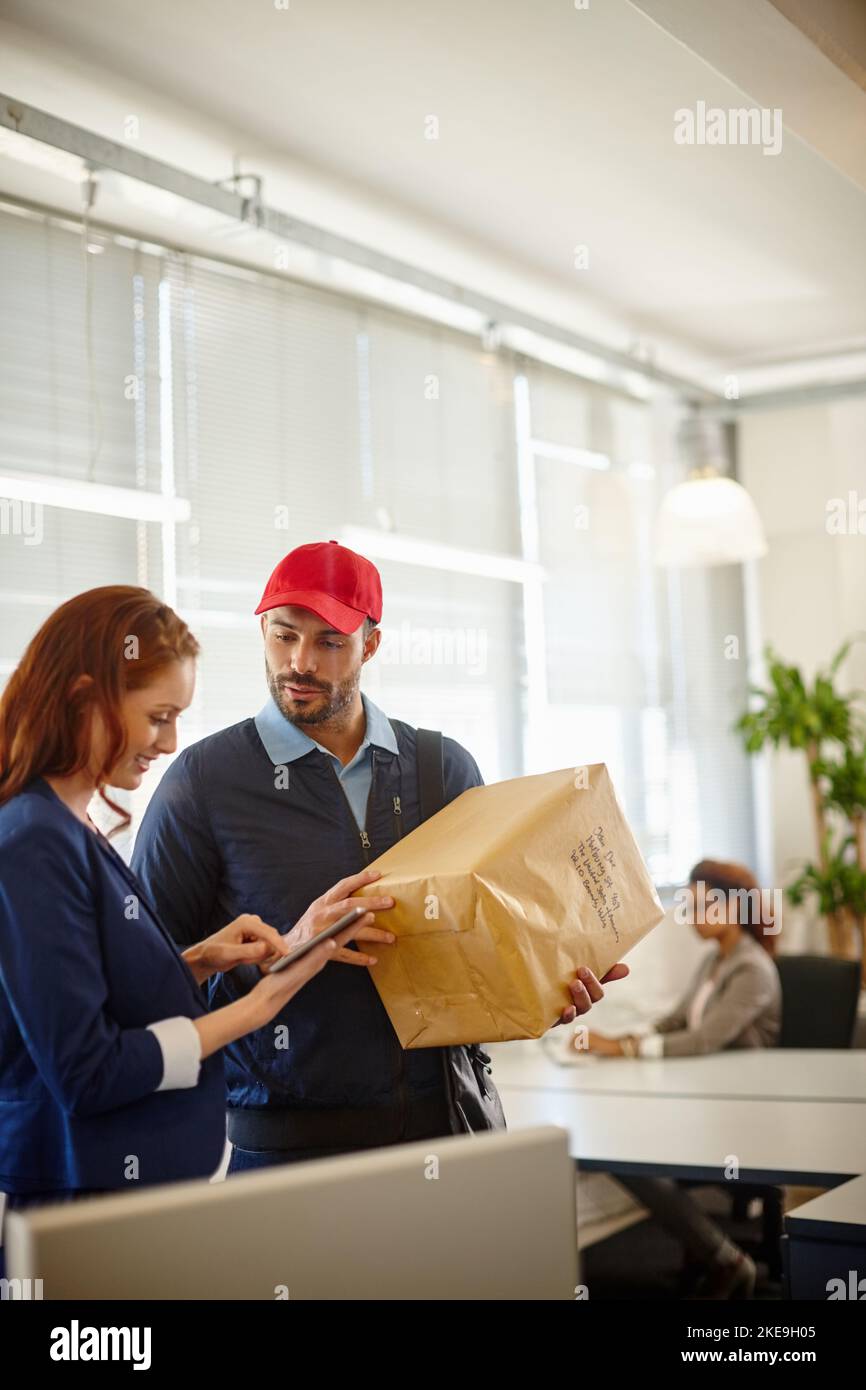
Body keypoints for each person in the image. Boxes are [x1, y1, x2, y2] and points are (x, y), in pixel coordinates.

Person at [132, 540, 628, 1172]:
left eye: (330, 642)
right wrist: (287, 951)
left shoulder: (441, 770)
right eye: (283, 636)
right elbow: (149, 987)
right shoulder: (203, 783)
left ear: (370, 645)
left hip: (442, 1127)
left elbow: (485, 946)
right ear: (262, 630)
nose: (299, 662)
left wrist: (544, 986)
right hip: (285, 1145)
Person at [0, 586, 395, 1259]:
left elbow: (81, 1002)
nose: (170, 741)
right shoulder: (34, 839)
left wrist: (203, 961)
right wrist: (263, 1000)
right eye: (157, 717)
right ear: (85, 699)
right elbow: (89, 1069)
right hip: (77, 1207)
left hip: (120, 1197)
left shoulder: (69, 826)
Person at [584, 858, 782, 1299]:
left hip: (742, 1113)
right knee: (621, 1142)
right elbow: (677, 1022)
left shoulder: (752, 969)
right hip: (705, 1098)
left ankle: (725, 1260)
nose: (693, 917)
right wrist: (623, 1039)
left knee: (623, 1155)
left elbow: (704, 1039)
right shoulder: (716, 962)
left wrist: (625, 1050)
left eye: (701, 905)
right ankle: (707, 1248)